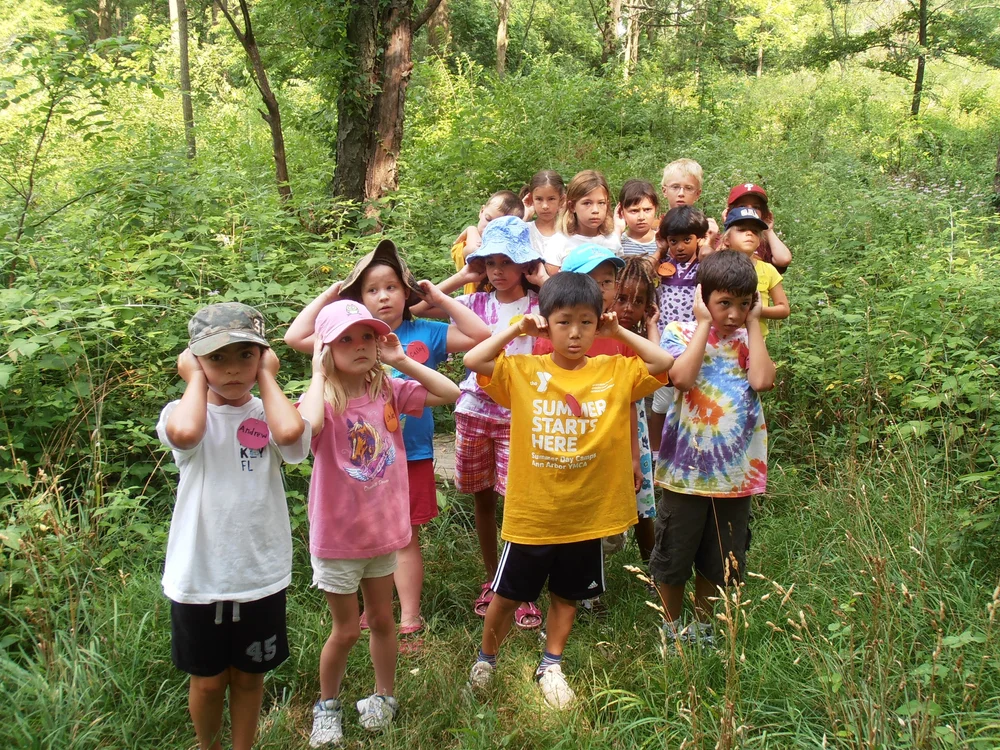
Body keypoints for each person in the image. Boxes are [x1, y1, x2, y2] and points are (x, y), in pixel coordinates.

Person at [464, 272, 672, 709]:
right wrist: (518, 329)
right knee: (508, 593)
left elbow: (663, 362)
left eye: (586, 322)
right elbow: (474, 360)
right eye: (563, 322)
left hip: (586, 512)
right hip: (534, 511)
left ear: (599, 323)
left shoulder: (614, 370)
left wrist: (619, 333)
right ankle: (486, 659)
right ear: (546, 323)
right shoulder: (524, 370)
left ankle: (552, 663)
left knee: (568, 594)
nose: (575, 333)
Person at [285, 240, 490, 647]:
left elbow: (479, 334)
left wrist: (438, 296)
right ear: (357, 299)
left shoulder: (422, 332)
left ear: (406, 292)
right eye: (371, 289)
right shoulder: (348, 341)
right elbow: (296, 337)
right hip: (355, 465)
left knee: (405, 534)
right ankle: (374, 609)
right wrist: (332, 294)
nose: (383, 296)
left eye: (392, 287)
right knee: (366, 532)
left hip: (410, 455)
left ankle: (409, 615)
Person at [299, 300, 459, 747]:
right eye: (345, 339)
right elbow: (304, 428)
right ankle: (327, 706)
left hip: (384, 532)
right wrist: (317, 374)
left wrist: (401, 360)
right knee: (347, 629)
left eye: (367, 336)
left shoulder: (388, 390)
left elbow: (449, 392)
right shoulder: (322, 401)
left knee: (383, 619)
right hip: (338, 539)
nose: (360, 346)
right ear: (325, 349)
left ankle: (383, 696)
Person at [156, 303, 309, 750]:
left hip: (258, 575)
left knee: (249, 677)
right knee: (207, 683)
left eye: (246, 355)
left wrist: (268, 378)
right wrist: (195, 380)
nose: (232, 369)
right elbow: (186, 435)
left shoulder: (270, 413)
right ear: (195, 362)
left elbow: (290, 437)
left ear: (263, 358)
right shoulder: (183, 412)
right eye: (216, 357)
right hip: (199, 578)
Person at [650, 251, 776, 648]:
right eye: (724, 303)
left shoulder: (749, 339)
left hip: (735, 475)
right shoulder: (680, 332)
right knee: (674, 555)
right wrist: (704, 323)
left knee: (720, 559)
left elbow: (761, 381)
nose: (734, 314)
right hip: (684, 472)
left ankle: (703, 627)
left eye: (744, 304)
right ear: (703, 297)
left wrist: (755, 324)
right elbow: (681, 379)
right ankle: (671, 628)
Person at [451, 216, 546, 628]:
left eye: (508, 261)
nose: (497, 270)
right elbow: (415, 307)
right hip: (475, 410)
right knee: (483, 497)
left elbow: (581, 304)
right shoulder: (474, 304)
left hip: (520, 414)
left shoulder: (543, 306)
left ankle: (517, 586)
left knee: (518, 501)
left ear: (526, 264)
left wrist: (543, 279)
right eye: (490, 262)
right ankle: (493, 578)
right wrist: (463, 277)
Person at [608, 256, 662, 562]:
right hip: (602, 422)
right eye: (622, 299)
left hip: (633, 425)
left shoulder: (636, 340)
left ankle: (650, 567)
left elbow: (659, 368)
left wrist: (652, 326)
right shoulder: (599, 334)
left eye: (638, 302)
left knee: (641, 500)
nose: (629, 308)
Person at [648, 206, 710, 454]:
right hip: (665, 342)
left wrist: (707, 247)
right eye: (674, 241)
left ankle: (690, 449)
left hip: (693, 341)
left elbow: (713, 265)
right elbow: (643, 271)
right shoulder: (662, 264)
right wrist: (660, 249)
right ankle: (655, 453)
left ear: (699, 239)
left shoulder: (703, 267)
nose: (680, 247)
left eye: (687, 240)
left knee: (691, 398)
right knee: (661, 403)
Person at [721, 206, 790, 339]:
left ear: (759, 241)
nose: (749, 233)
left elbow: (784, 309)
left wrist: (756, 310)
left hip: (755, 342)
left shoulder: (768, 270)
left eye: (755, 231)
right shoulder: (718, 266)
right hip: (720, 341)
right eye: (742, 229)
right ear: (727, 239)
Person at [451, 190, 525, 294]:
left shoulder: (515, 249)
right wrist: (472, 229)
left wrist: (470, 230)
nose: (489, 227)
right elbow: (474, 251)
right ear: (481, 211)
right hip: (473, 303)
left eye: (498, 226)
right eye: (488, 219)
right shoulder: (463, 244)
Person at [546, 170, 621, 272]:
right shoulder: (559, 242)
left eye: (601, 203)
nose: (595, 210)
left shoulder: (612, 239)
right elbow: (553, 279)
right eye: (587, 203)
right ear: (572, 206)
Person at [722, 183, 792, 272]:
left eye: (756, 207)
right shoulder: (722, 239)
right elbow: (714, 264)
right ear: (729, 211)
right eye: (742, 206)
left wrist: (768, 230)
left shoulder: (764, 241)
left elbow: (784, 259)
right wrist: (728, 226)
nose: (750, 210)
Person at [660, 158, 719, 245]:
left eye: (688, 188)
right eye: (675, 187)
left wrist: (711, 242)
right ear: (664, 191)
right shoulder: (654, 229)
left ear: (697, 194)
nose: (681, 193)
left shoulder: (706, 229)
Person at [523, 170, 567, 268]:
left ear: (561, 200)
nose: (545, 206)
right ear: (531, 199)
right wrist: (525, 215)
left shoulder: (568, 232)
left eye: (551, 199)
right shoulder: (525, 229)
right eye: (539, 199)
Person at [617, 179, 659, 257]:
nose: (641, 217)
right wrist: (617, 231)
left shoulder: (664, 242)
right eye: (634, 211)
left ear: (655, 209)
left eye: (647, 210)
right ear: (621, 212)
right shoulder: (618, 243)